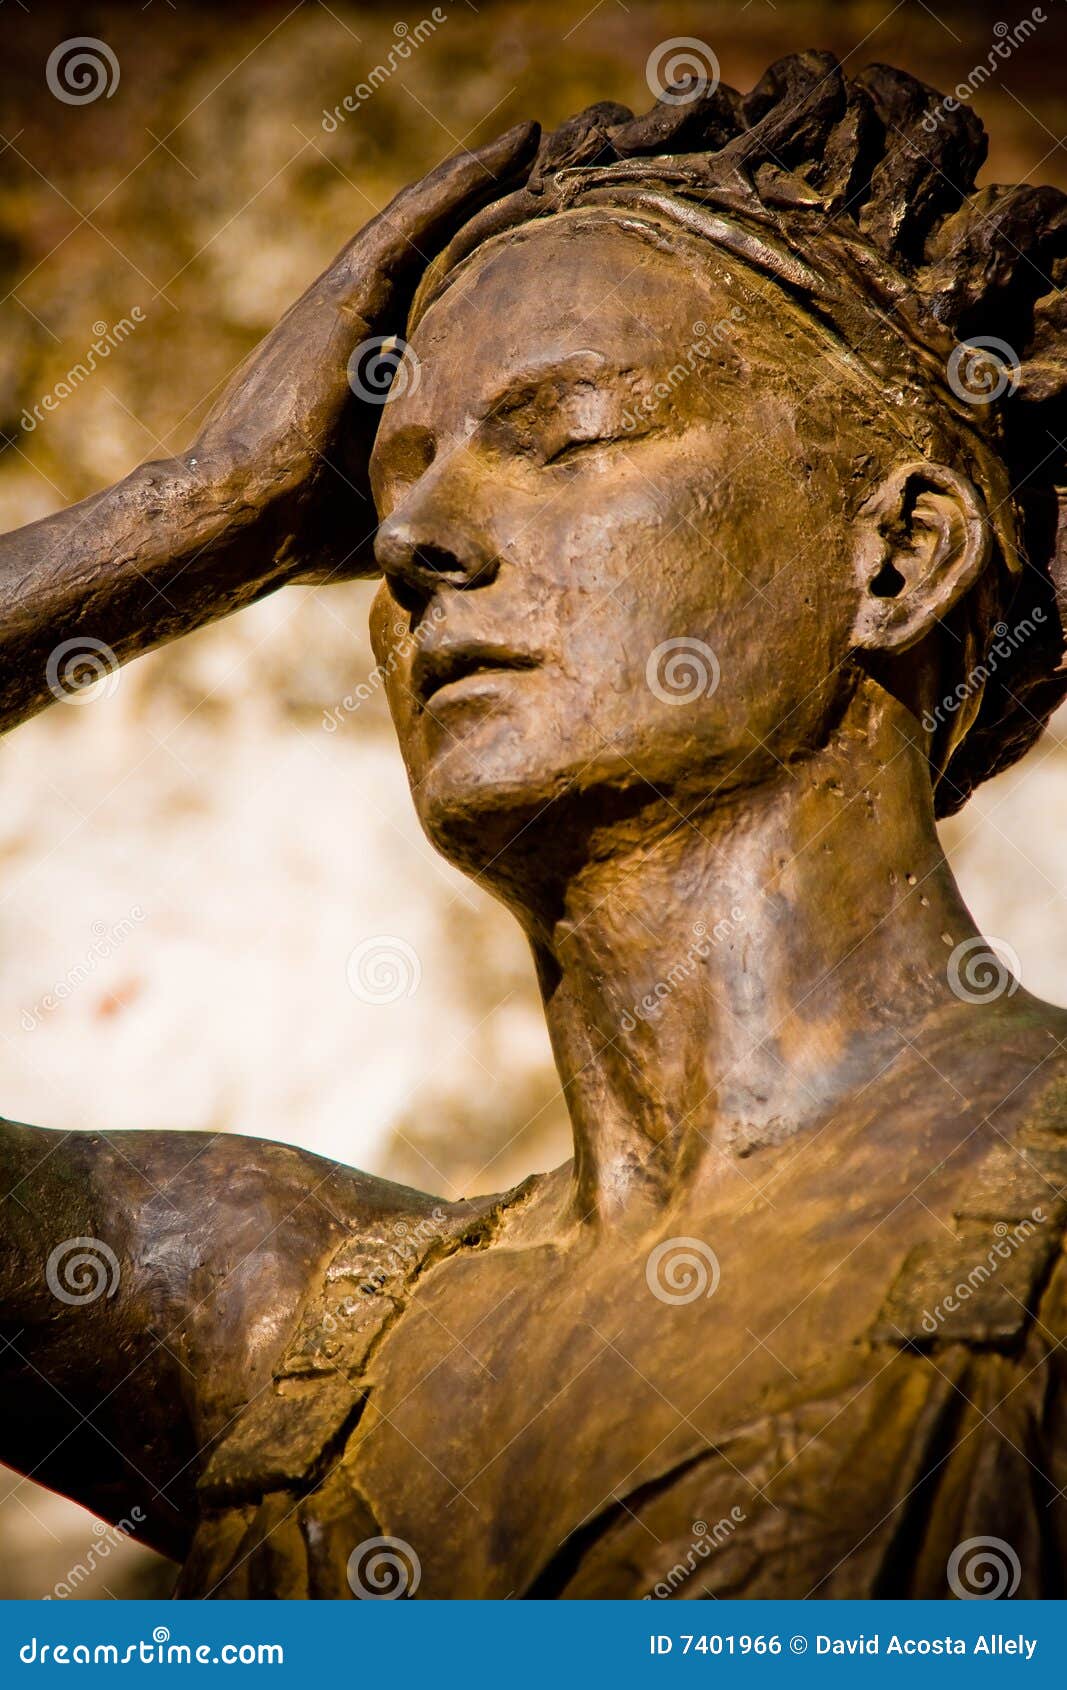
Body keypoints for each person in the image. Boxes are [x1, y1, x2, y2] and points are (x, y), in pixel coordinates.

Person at [3, 51, 1067, 1600]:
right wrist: (188, 512)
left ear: (898, 556)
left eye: (561, 435)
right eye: (384, 491)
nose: (417, 540)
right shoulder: (276, 1320)